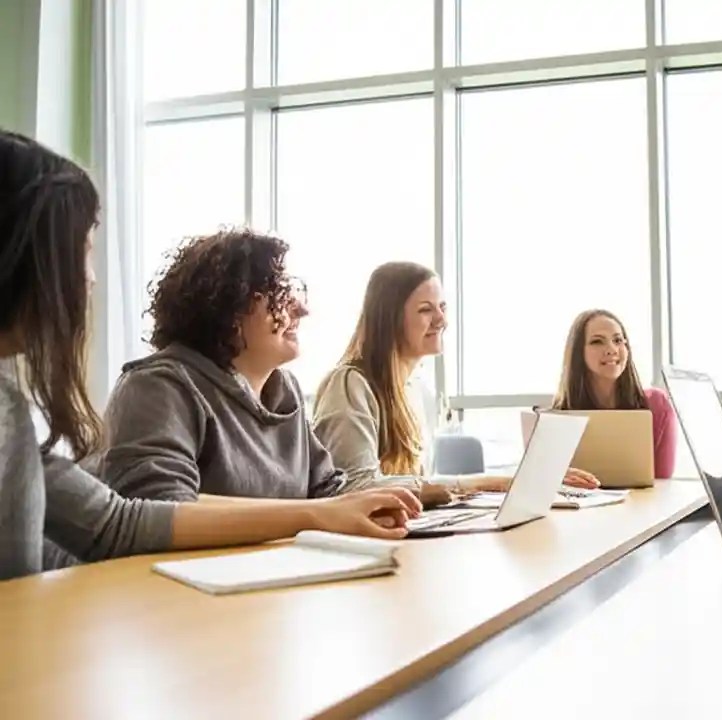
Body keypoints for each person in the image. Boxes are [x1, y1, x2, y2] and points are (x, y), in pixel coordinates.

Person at [0, 130, 421, 581]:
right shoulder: (157, 386)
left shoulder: (9, 410)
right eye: (81, 252)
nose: (90, 279)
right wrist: (315, 515)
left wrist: (437, 490)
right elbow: (145, 513)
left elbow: (113, 521)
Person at [99, 229, 448, 507]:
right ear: (230, 307)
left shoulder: (284, 392)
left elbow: (330, 491)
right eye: (280, 294)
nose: (301, 309)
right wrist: (315, 515)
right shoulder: (158, 387)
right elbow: (161, 509)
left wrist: (411, 500)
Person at [313, 262, 598, 493]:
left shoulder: (418, 390)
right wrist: (484, 483)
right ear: (390, 319)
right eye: (426, 310)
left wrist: (514, 479)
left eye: (443, 307)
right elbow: (356, 487)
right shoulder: (350, 385)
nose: (441, 320)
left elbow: (423, 483)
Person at [550, 309, 676, 479]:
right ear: (578, 353)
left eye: (618, 340)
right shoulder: (559, 415)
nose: (611, 349)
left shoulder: (657, 405)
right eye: (597, 342)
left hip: (645, 497)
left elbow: (663, 480)